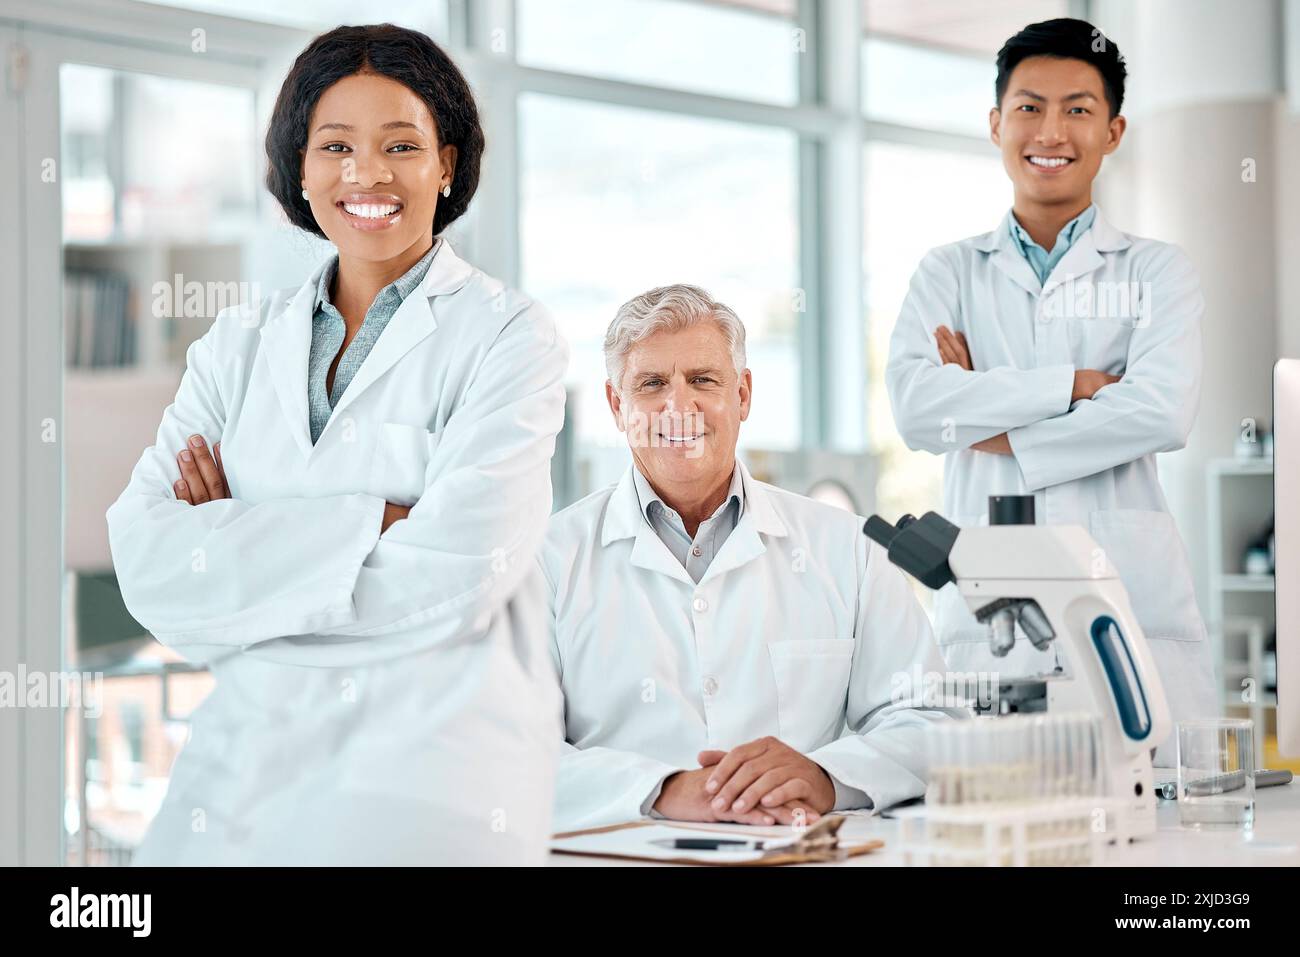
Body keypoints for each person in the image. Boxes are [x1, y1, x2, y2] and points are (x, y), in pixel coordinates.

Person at [107, 24, 568, 864]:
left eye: (401, 144)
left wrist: (242, 539)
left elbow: (461, 572)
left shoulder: (510, 337)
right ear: (301, 167)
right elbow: (146, 557)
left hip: (432, 780)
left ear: (447, 165)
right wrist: (377, 521)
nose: (367, 174)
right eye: (335, 146)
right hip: (242, 768)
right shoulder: (239, 341)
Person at [885, 18, 1215, 762]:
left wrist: (988, 417)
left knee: (1156, 831)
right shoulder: (948, 272)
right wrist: (1079, 385)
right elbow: (916, 408)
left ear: (1114, 129)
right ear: (996, 122)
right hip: (988, 623)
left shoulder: (1158, 271)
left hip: (1129, 601)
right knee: (999, 820)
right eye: (1029, 107)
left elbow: (1161, 410)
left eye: (1078, 108)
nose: (1051, 131)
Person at [540, 284, 962, 833]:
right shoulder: (545, 561)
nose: (678, 405)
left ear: (742, 395)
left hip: (797, 851)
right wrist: (664, 791)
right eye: (651, 384)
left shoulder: (848, 547)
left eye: (703, 380)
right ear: (617, 406)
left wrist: (824, 776)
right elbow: (506, 749)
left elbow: (932, 721)